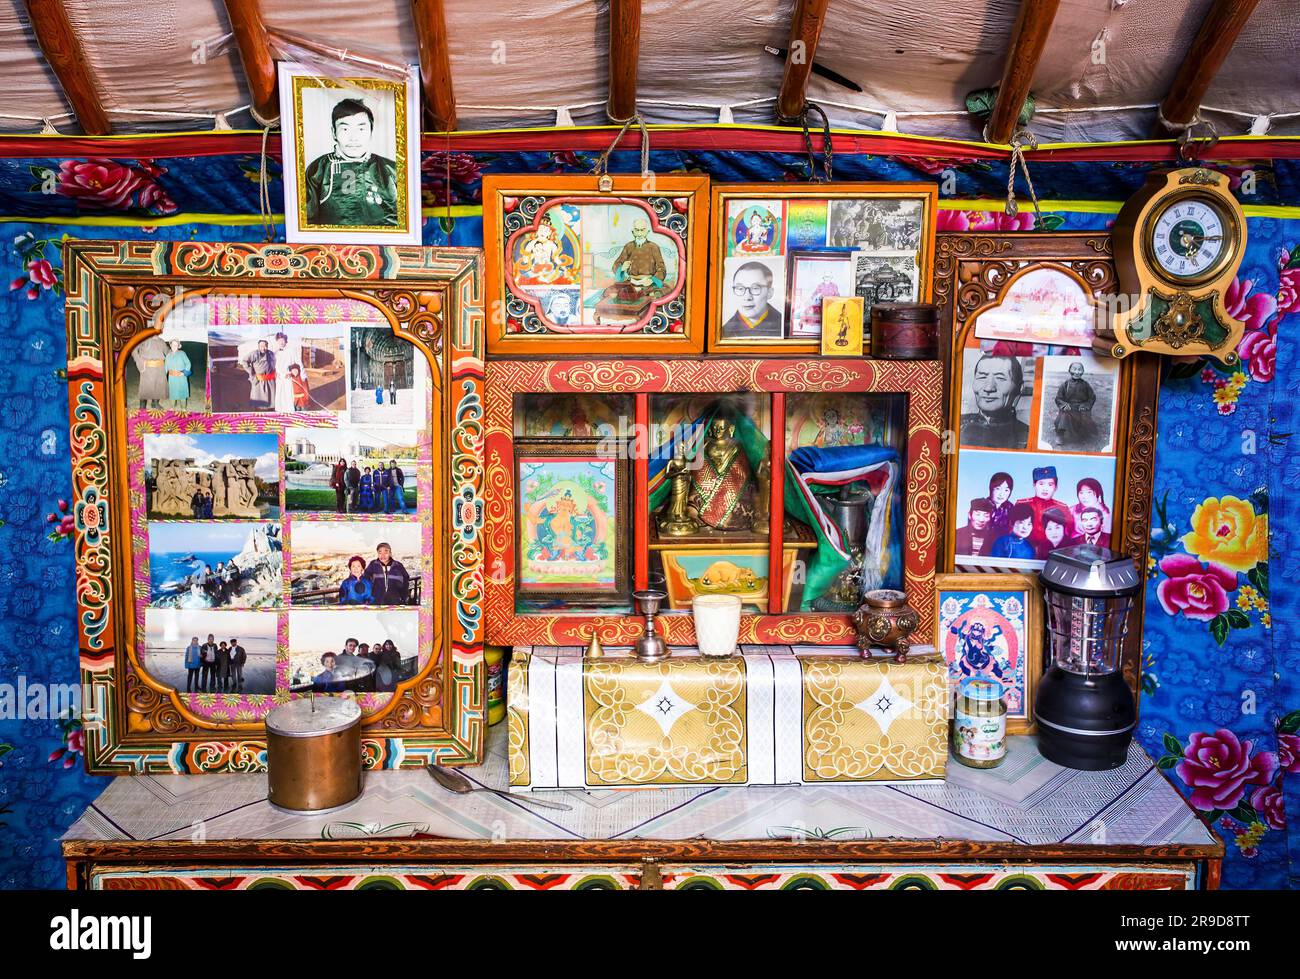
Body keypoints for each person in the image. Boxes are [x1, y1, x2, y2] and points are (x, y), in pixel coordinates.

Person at [304, 98, 399, 228]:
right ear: (334, 133)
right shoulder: (318, 169)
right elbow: (307, 222)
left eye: (361, 129)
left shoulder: (391, 169)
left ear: (371, 132)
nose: (353, 137)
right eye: (345, 129)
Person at [961, 354, 1029, 449]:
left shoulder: (1028, 437)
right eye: (982, 377)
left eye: (1000, 378)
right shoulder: (955, 425)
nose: (989, 388)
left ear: (1019, 388)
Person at [1019, 465, 1075, 554]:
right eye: (1041, 484)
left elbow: (1069, 534)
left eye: (1050, 484)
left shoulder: (1063, 508)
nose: (1045, 488)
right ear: (1034, 485)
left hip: (1054, 553)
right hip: (1025, 551)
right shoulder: (1022, 505)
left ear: (1055, 487)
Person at [722, 262, 783, 338]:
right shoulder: (724, 333)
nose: (747, 297)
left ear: (769, 292)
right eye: (740, 288)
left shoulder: (784, 326)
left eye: (755, 288)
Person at [1053, 361, 1099, 450]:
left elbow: (1092, 397)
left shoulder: (1085, 385)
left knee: (1085, 424)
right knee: (1063, 416)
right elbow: (1058, 398)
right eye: (1074, 369)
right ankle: (1060, 435)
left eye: (1079, 369)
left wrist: (1086, 405)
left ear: (1082, 372)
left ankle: (1082, 433)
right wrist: (1064, 404)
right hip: (1068, 408)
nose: (1077, 372)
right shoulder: (1065, 384)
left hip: (1081, 408)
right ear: (1070, 370)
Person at [131, 335, 168, 408]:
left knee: (158, 386)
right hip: (147, 368)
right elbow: (133, 350)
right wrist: (139, 361)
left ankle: (155, 403)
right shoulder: (143, 339)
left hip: (160, 368)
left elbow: (167, 352)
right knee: (145, 388)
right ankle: (142, 406)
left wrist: (175, 353)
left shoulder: (161, 341)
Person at [239, 339, 276, 411]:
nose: (263, 348)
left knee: (271, 399)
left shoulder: (271, 353)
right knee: (259, 401)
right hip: (259, 380)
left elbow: (275, 363)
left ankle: (270, 412)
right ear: (258, 346)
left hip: (270, 380)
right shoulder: (254, 354)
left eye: (265, 346)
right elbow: (244, 361)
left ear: (267, 346)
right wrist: (251, 372)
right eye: (261, 346)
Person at [985, 472, 1014, 538]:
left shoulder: (1011, 508)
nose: (1001, 494)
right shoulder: (981, 505)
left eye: (1006, 490)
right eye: (998, 489)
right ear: (991, 488)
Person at [164, 340, 192, 408]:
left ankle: (183, 408)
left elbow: (188, 364)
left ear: (178, 346)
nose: (174, 346)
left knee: (182, 393)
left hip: (181, 377)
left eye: (176, 345)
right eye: (173, 344)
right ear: (170, 345)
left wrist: (184, 372)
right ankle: (172, 407)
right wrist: (163, 377)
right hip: (172, 378)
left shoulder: (182, 353)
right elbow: (166, 367)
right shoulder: (168, 355)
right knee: (172, 393)